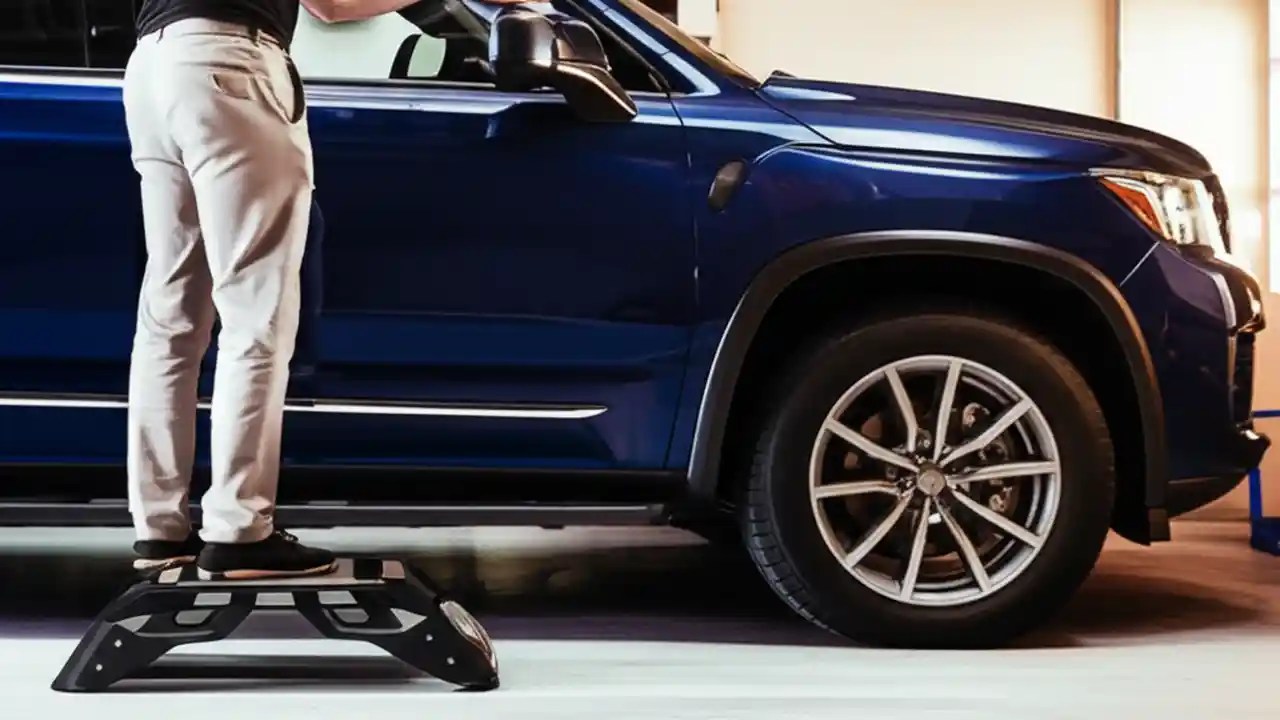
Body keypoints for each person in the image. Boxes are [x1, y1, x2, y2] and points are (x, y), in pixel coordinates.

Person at [123, 0, 533, 579]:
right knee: (255, 312)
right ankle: (239, 530)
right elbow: (333, 5)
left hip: (150, 67)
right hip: (229, 64)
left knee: (171, 315)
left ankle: (160, 530)